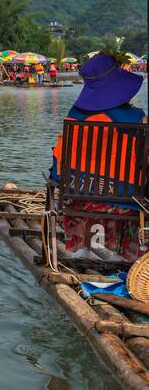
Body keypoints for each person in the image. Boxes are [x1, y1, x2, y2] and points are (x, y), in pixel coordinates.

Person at [48, 52, 146, 262]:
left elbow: (58, 163)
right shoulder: (137, 118)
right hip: (123, 202)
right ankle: (125, 253)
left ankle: (82, 248)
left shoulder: (74, 114)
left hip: (77, 199)